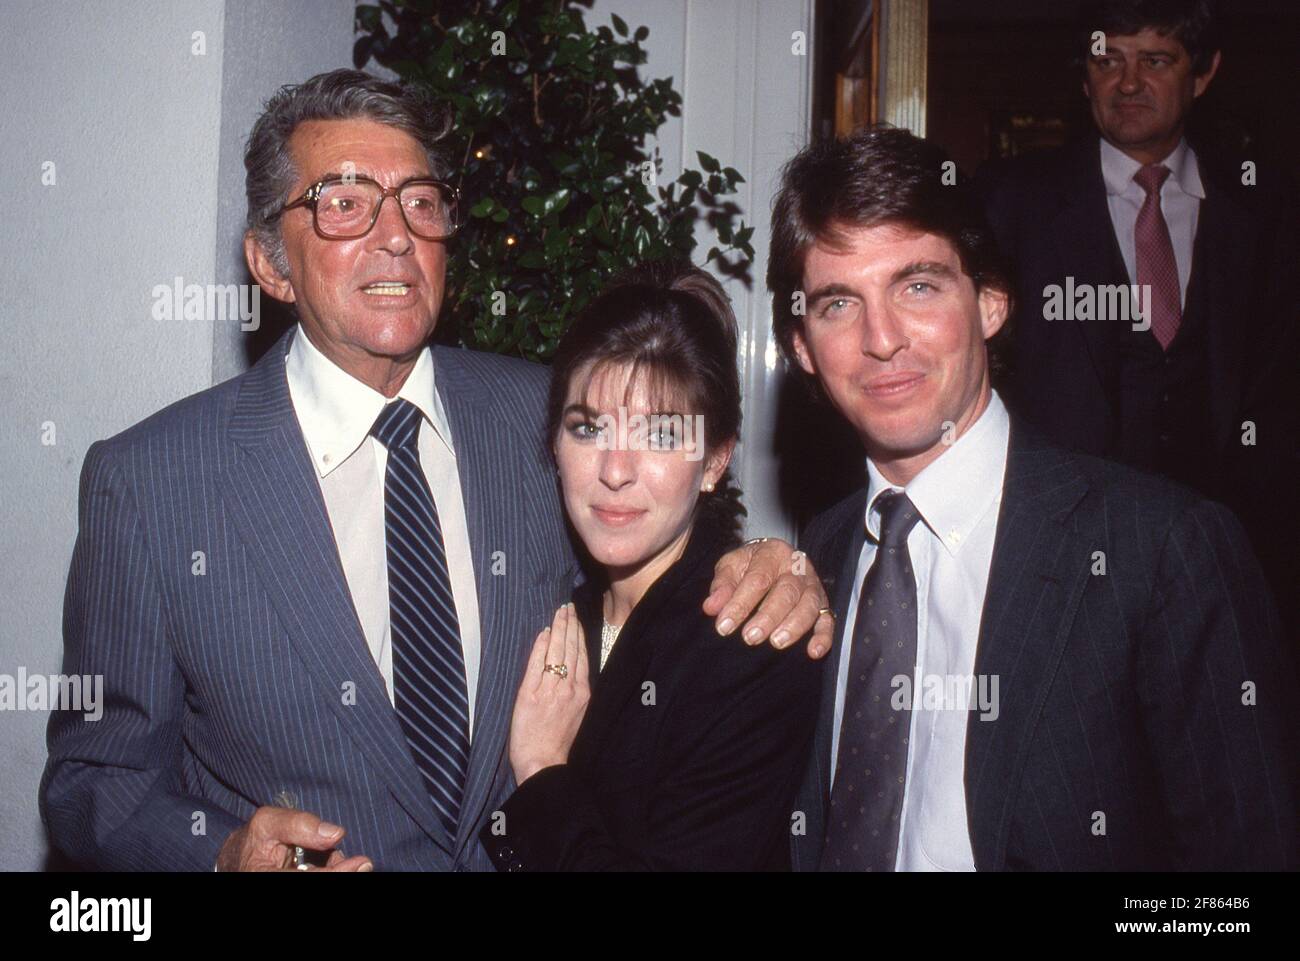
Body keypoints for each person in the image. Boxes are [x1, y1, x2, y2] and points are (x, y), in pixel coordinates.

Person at [39, 69, 832, 873]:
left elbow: (652, 552)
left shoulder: (545, 418)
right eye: (345, 202)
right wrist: (221, 852)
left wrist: (767, 563)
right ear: (271, 266)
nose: (396, 235)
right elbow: (95, 779)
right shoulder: (153, 483)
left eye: (420, 202)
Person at [768, 126, 1299, 871]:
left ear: (989, 303)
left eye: (918, 286)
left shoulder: (1161, 549)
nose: (881, 338)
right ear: (801, 351)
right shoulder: (810, 564)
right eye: (836, 305)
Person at [477, 263, 822, 871]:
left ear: (715, 461)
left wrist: (541, 772)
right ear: (554, 445)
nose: (615, 470)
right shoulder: (547, 606)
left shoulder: (750, 645)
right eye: (587, 428)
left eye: (660, 435)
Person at [979, 0, 1300, 635]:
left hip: (1228, 568)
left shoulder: (1265, 210)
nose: (1128, 83)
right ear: (1084, 76)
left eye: (1155, 61)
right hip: (1055, 564)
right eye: (1108, 60)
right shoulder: (1007, 202)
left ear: (1202, 75)